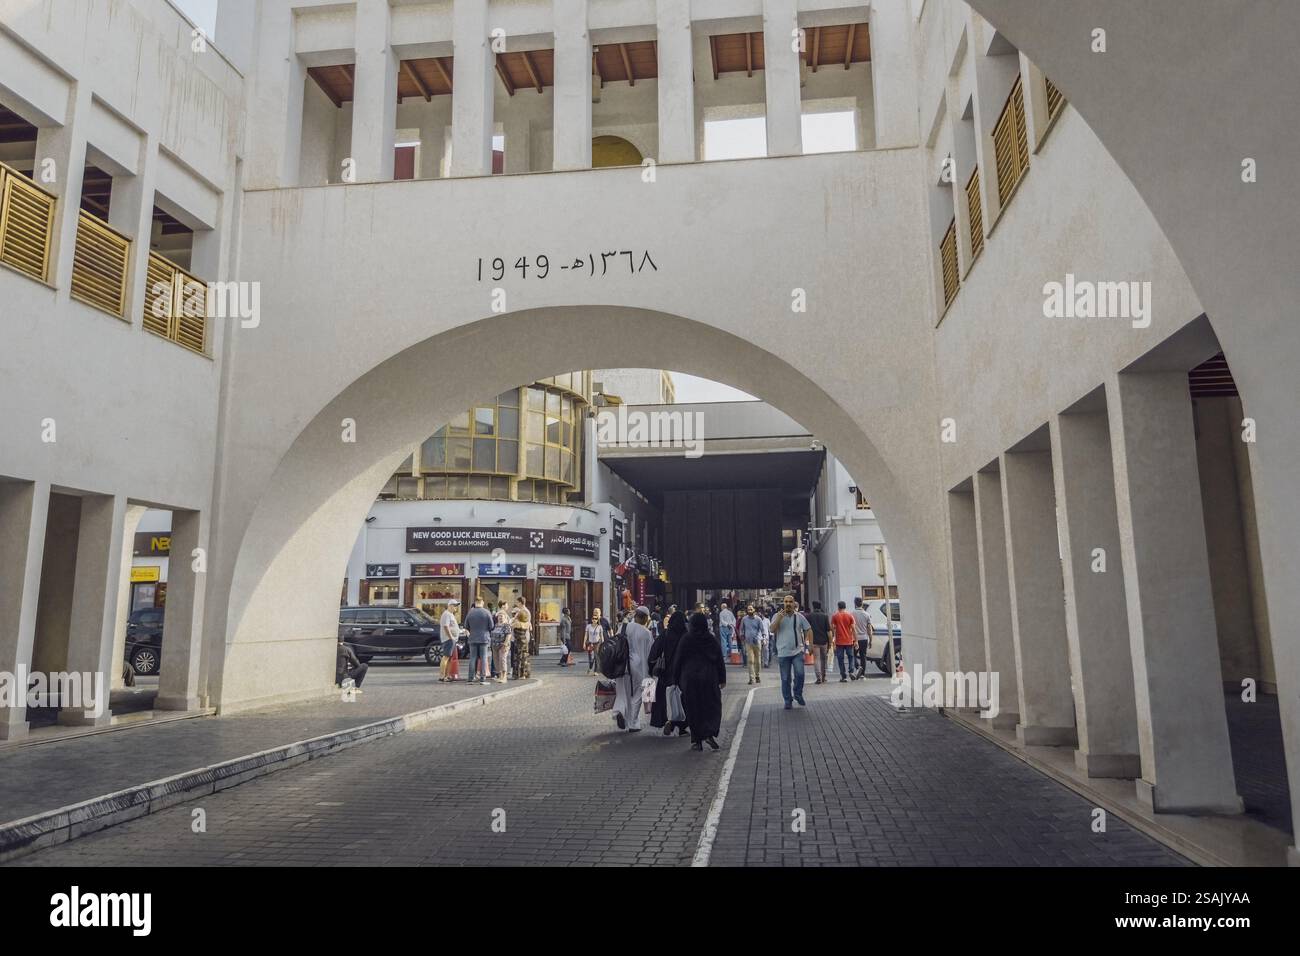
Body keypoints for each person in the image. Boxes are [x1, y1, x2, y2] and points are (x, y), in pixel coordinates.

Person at [671, 611, 725, 751]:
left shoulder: (686, 639)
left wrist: (675, 679)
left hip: (690, 679)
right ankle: (710, 731)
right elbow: (719, 660)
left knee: (693, 709)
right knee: (711, 706)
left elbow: (678, 660)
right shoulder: (711, 639)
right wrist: (722, 678)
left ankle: (697, 741)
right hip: (709, 677)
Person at [612, 606, 654, 732]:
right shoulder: (647, 633)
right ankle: (633, 723)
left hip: (621, 665)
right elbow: (650, 654)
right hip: (638, 667)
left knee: (622, 691)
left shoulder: (624, 627)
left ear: (635, 616)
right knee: (637, 695)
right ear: (646, 618)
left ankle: (619, 711)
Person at [648, 609, 688, 735]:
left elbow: (654, 653)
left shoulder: (665, 634)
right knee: (683, 701)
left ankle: (665, 720)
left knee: (664, 698)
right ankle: (680, 726)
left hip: (666, 672)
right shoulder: (686, 635)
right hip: (683, 673)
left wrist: (651, 668)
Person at [771, 595, 811, 710]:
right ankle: (788, 700)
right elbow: (772, 630)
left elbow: (808, 628)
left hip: (797, 651)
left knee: (800, 674)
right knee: (785, 678)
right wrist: (779, 618)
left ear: (794, 604)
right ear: (783, 603)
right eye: (786, 601)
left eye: (790, 602)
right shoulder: (776, 616)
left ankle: (798, 694)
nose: (788, 603)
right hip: (783, 653)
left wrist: (809, 645)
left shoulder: (799, 617)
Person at [464, 598, 493, 684]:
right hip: (484, 638)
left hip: (472, 638)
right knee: (483, 658)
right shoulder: (486, 612)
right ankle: (482, 677)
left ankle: (470, 677)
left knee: (472, 658)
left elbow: (466, 626)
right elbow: (491, 626)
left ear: (475, 603)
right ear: (482, 602)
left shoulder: (470, 612)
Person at [737, 603, 764, 685]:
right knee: (750, 661)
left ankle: (757, 676)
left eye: (751, 609)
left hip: (757, 642)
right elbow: (741, 629)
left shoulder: (758, 619)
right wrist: (741, 635)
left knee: (758, 661)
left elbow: (762, 630)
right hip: (748, 642)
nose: (750, 611)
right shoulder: (744, 619)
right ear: (747, 611)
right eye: (748, 609)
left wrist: (764, 638)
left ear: (754, 610)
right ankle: (751, 678)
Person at [806, 600, 833, 684]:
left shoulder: (809, 616)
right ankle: (824, 677)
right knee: (823, 659)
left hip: (814, 641)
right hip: (824, 641)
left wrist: (807, 642)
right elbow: (829, 631)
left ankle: (818, 677)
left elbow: (807, 630)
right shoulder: (825, 616)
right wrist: (830, 642)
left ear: (813, 607)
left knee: (816, 659)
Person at [831, 600, 857, 682]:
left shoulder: (835, 616)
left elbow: (832, 628)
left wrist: (834, 637)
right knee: (851, 657)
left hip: (839, 641)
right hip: (849, 640)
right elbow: (853, 629)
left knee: (840, 658)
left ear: (838, 607)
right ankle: (851, 671)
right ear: (845, 607)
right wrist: (856, 640)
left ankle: (843, 676)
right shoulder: (850, 616)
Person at [850, 596, 873, 680]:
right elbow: (869, 628)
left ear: (855, 604)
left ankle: (858, 667)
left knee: (853, 655)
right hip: (864, 638)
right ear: (862, 603)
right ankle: (862, 674)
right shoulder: (867, 615)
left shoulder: (851, 614)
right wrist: (870, 640)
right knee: (863, 655)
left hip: (854, 639)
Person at [438, 600, 461, 682]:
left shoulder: (450, 614)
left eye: (456, 606)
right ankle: (442, 676)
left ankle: (447, 675)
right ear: (450, 605)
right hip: (448, 639)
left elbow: (453, 627)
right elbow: (446, 626)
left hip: (452, 639)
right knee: (446, 657)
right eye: (455, 605)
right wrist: (451, 637)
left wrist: (461, 631)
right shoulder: (447, 614)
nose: (456, 607)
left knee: (449, 658)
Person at [510, 596, 532, 680]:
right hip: (524, 639)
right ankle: (524, 674)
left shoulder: (517, 621)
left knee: (518, 657)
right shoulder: (526, 622)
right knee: (524, 657)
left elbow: (510, 625)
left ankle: (517, 674)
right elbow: (529, 626)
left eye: (517, 602)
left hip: (518, 640)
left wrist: (515, 617)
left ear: (520, 602)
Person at [492, 602, 512, 683]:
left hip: (503, 645)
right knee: (496, 661)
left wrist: (505, 643)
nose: (500, 617)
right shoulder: (496, 625)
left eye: (502, 616)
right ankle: (499, 676)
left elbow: (509, 635)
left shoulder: (506, 625)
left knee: (502, 660)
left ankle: (504, 677)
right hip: (495, 645)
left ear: (505, 617)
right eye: (499, 616)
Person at [585, 609, 605, 673]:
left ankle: (596, 671)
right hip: (590, 643)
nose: (594, 620)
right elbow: (586, 635)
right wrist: (584, 643)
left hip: (597, 643)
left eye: (596, 619)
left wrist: (603, 643)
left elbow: (601, 636)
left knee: (596, 657)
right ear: (591, 619)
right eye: (593, 618)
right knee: (591, 658)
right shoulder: (588, 626)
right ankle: (590, 667)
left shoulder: (600, 627)